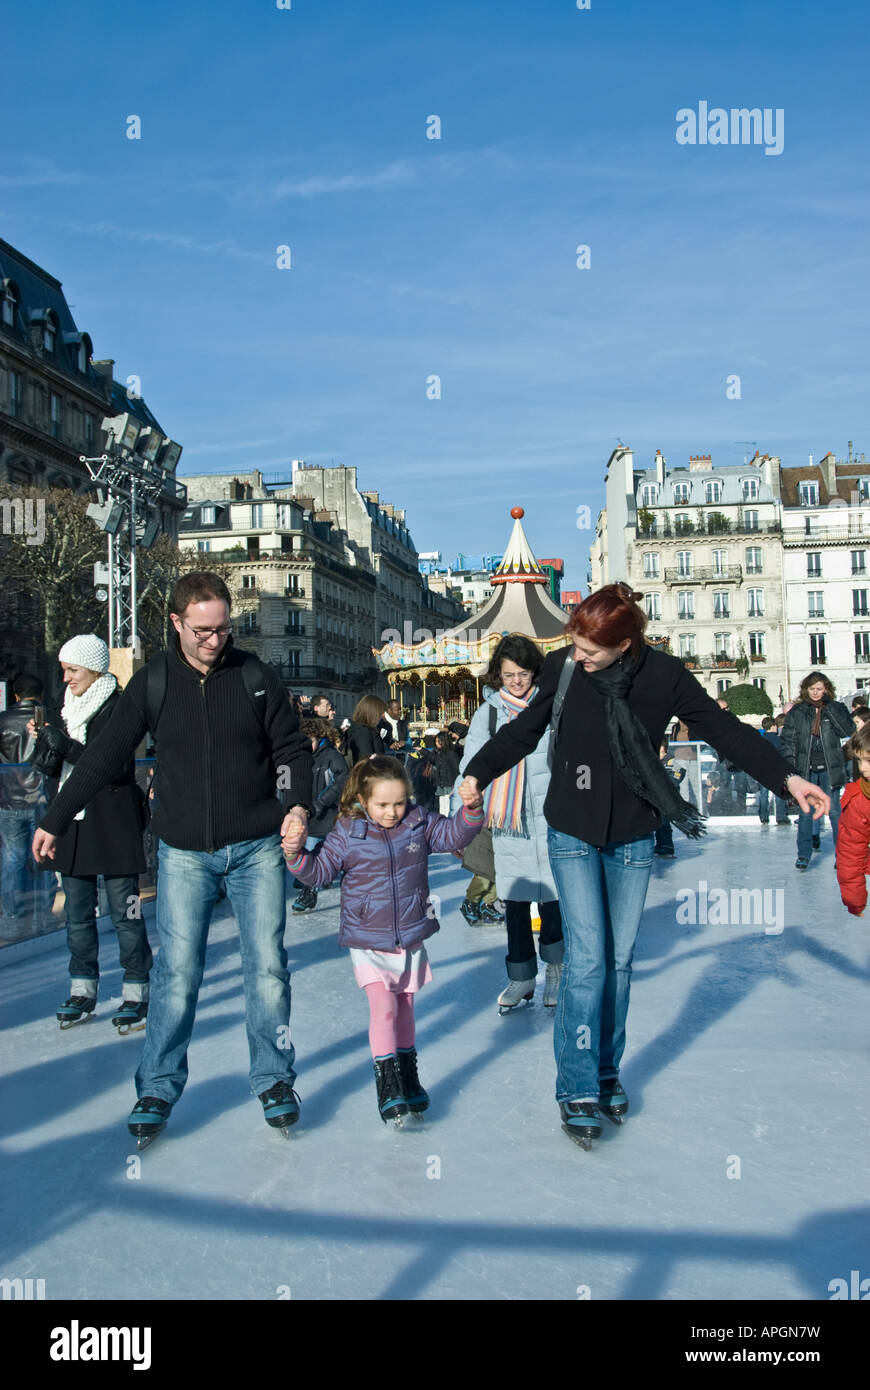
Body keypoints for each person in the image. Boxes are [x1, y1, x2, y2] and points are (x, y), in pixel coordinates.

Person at [458, 583, 828, 1150]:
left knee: (619, 962)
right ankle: (577, 1085)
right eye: (574, 646)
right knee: (587, 961)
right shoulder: (563, 667)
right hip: (572, 828)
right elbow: (525, 729)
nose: (576, 657)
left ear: (625, 644)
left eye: (589, 650)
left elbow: (724, 731)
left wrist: (787, 777)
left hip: (632, 833)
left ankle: (607, 1071)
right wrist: (476, 773)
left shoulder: (664, 677)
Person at [32, 572, 313, 1149]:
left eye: (224, 629)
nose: (215, 641)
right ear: (177, 623)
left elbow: (290, 750)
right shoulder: (155, 681)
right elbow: (104, 755)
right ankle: (157, 1085)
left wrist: (297, 805)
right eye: (203, 631)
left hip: (256, 848)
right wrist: (56, 817)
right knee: (179, 975)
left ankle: (275, 1080)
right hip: (184, 852)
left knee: (267, 969)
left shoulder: (256, 676)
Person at [281, 755, 484, 1124]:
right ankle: (387, 1083)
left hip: (408, 934)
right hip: (368, 939)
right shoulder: (348, 832)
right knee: (384, 1007)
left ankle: (408, 1076)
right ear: (363, 799)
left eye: (399, 803)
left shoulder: (417, 822)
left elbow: (453, 834)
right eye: (382, 805)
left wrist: (471, 810)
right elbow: (319, 872)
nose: (392, 812)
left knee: (404, 1005)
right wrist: (295, 855)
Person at [29, 636, 152, 1030]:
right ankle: (83, 987)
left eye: (73, 670)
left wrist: (62, 745)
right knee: (77, 914)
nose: (66, 679)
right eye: (64, 671)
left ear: (94, 669)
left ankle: (136, 986)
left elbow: (112, 767)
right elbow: (56, 769)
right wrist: (45, 748)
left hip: (113, 822)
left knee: (125, 913)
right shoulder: (66, 709)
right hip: (73, 823)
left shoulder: (118, 707)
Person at [459, 635, 565, 1013]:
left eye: (522, 674)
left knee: (553, 898)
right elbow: (470, 763)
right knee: (516, 901)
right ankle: (521, 976)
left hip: (551, 813)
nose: (516, 682)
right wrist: (467, 792)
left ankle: (556, 968)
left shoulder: (552, 708)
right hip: (509, 818)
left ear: (535, 672)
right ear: (497, 676)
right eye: (508, 675)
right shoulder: (488, 714)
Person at [780, 671, 853, 871]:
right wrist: (792, 769)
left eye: (819, 689)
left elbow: (846, 730)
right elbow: (788, 741)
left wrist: (829, 708)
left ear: (826, 689)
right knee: (806, 813)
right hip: (806, 770)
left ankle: (843, 855)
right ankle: (803, 855)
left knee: (835, 813)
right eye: (812, 689)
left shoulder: (835, 708)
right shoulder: (798, 712)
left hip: (830, 769)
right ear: (806, 690)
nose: (815, 693)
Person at [0, 674, 53, 937]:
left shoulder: (2, 721)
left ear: (15, 696)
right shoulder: (48, 719)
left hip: (9, 802)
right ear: (40, 694)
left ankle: (10, 917)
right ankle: (42, 917)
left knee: (12, 861)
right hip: (42, 800)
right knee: (44, 858)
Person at [290, 717, 349, 914]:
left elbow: (342, 779)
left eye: (310, 741)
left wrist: (323, 800)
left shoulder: (331, 755)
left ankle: (349, 886)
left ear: (319, 738)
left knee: (337, 852)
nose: (307, 746)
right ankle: (308, 892)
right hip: (310, 816)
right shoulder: (299, 758)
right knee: (310, 851)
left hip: (329, 814)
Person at [836, 725, 870, 917]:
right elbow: (850, 851)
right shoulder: (859, 799)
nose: (862, 768)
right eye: (859, 761)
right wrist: (854, 898)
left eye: (869, 761)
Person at [757, 717, 791, 825]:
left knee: (763, 794)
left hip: (763, 770)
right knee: (779, 793)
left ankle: (763, 816)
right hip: (776, 770)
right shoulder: (779, 740)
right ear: (772, 726)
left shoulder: (759, 740)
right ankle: (781, 817)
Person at [654, 741, 685, 857]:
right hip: (657, 796)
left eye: (662, 752)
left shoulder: (672, 762)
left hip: (667, 797)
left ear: (665, 751)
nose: (660, 754)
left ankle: (667, 847)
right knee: (658, 822)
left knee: (664, 822)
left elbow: (678, 776)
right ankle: (660, 845)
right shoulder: (653, 762)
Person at [348, 694, 388, 762]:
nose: (381, 716)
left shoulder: (367, 729)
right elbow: (365, 759)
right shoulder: (363, 731)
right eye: (380, 713)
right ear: (373, 712)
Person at [433, 730, 461, 816]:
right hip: (442, 784)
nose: (436, 743)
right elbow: (432, 759)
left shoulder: (451, 754)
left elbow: (456, 769)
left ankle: (448, 822)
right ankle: (443, 822)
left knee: (449, 805)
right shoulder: (438, 754)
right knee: (442, 805)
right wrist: (422, 750)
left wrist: (456, 784)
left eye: (438, 741)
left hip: (450, 784)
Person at [378, 698, 411, 763]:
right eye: (397, 710)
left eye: (400, 709)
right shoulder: (380, 724)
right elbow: (377, 743)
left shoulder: (403, 724)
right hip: (385, 761)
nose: (400, 712)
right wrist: (388, 746)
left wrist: (405, 744)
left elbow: (409, 741)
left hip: (401, 761)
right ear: (389, 711)